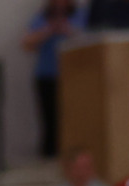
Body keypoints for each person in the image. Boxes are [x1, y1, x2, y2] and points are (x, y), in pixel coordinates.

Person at [22, 0, 79, 159]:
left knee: (73, 120)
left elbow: (90, 38)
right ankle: (49, 157)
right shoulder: (42, 17)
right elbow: (27, 43)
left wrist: (68, 31)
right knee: (50, 121)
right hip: (47, 76)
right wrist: (49, 30)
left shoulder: (80, 15)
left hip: (75, 77)